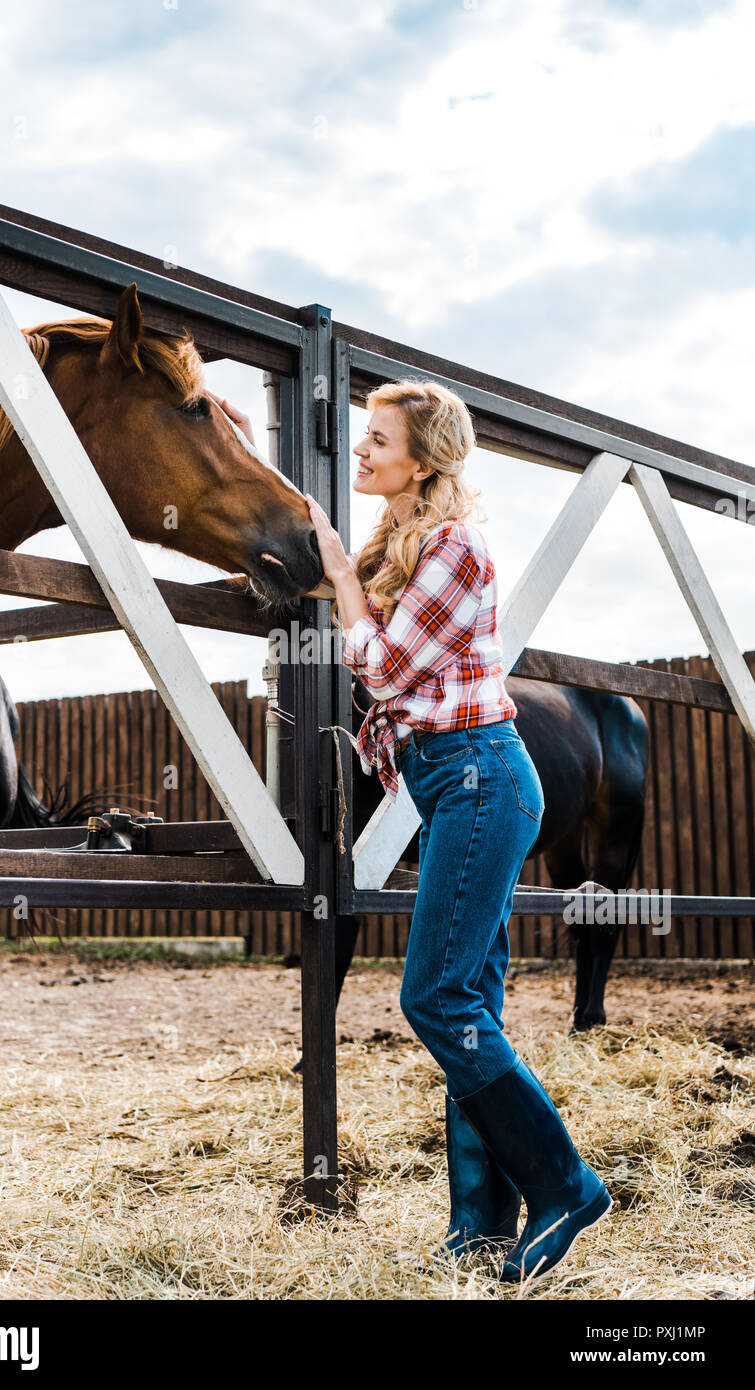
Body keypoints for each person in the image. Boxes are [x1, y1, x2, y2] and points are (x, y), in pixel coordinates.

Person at [298, 378, 613, 1284]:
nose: (360, 450)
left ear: (423, 458)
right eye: (361, 436)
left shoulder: (454, 547)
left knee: (432, 999)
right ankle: (477, 1222)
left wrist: (344, 583)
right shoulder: (408, 544)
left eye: (377, 440)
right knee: (469, 1002)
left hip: (480, 778)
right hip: (451, 787)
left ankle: (565, 1186)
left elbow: (388, 671)